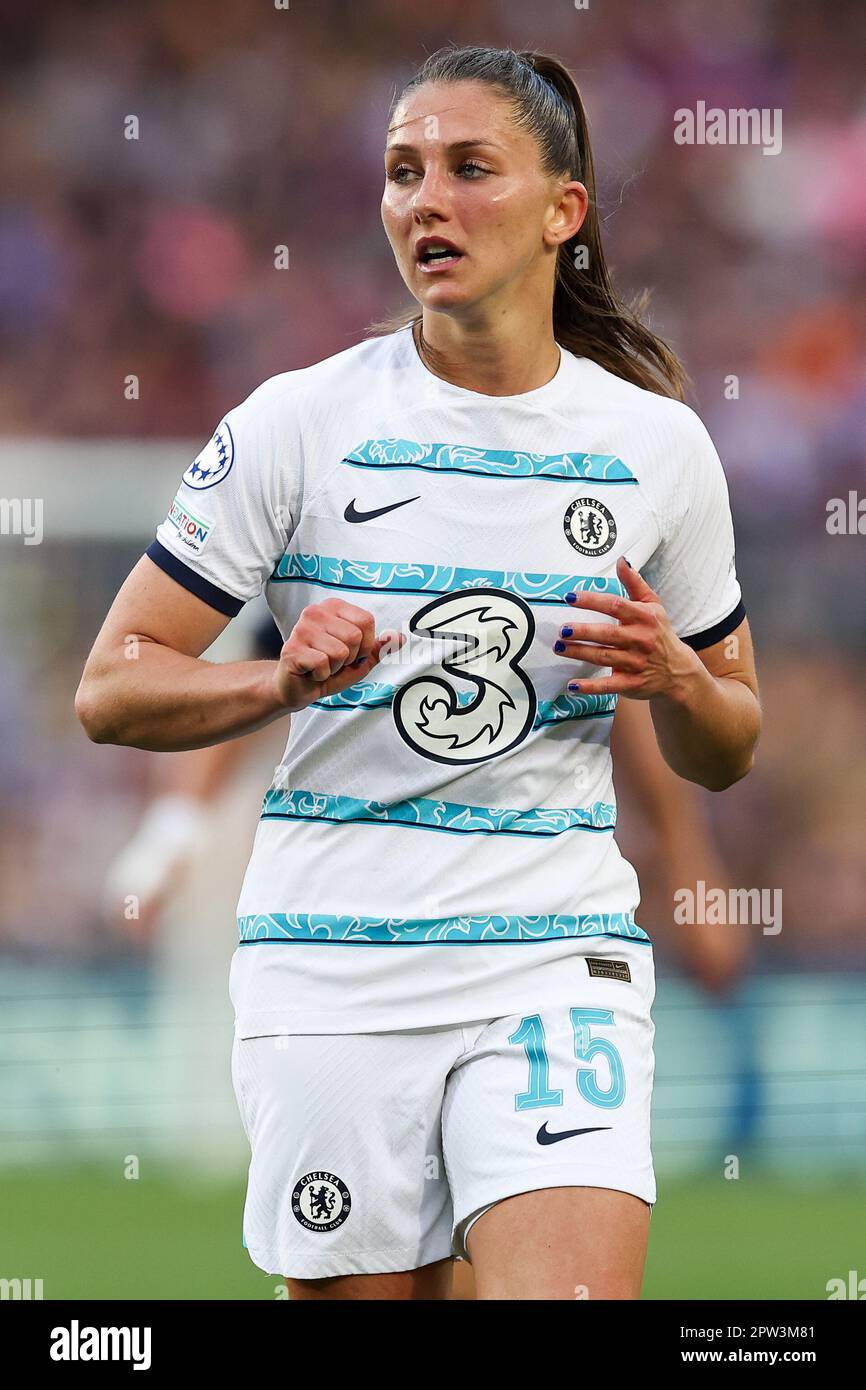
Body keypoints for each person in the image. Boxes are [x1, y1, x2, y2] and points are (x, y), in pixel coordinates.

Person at [75, 45, 761, 1301]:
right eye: (401, 172)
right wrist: (276, 683)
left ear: (564, 211)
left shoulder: (658, 448)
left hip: (554, 961)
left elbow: (730, 739)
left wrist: (674, 679)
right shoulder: (294, 424)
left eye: (466, 168)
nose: (422, 201)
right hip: (331, 969)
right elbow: (113, 685)